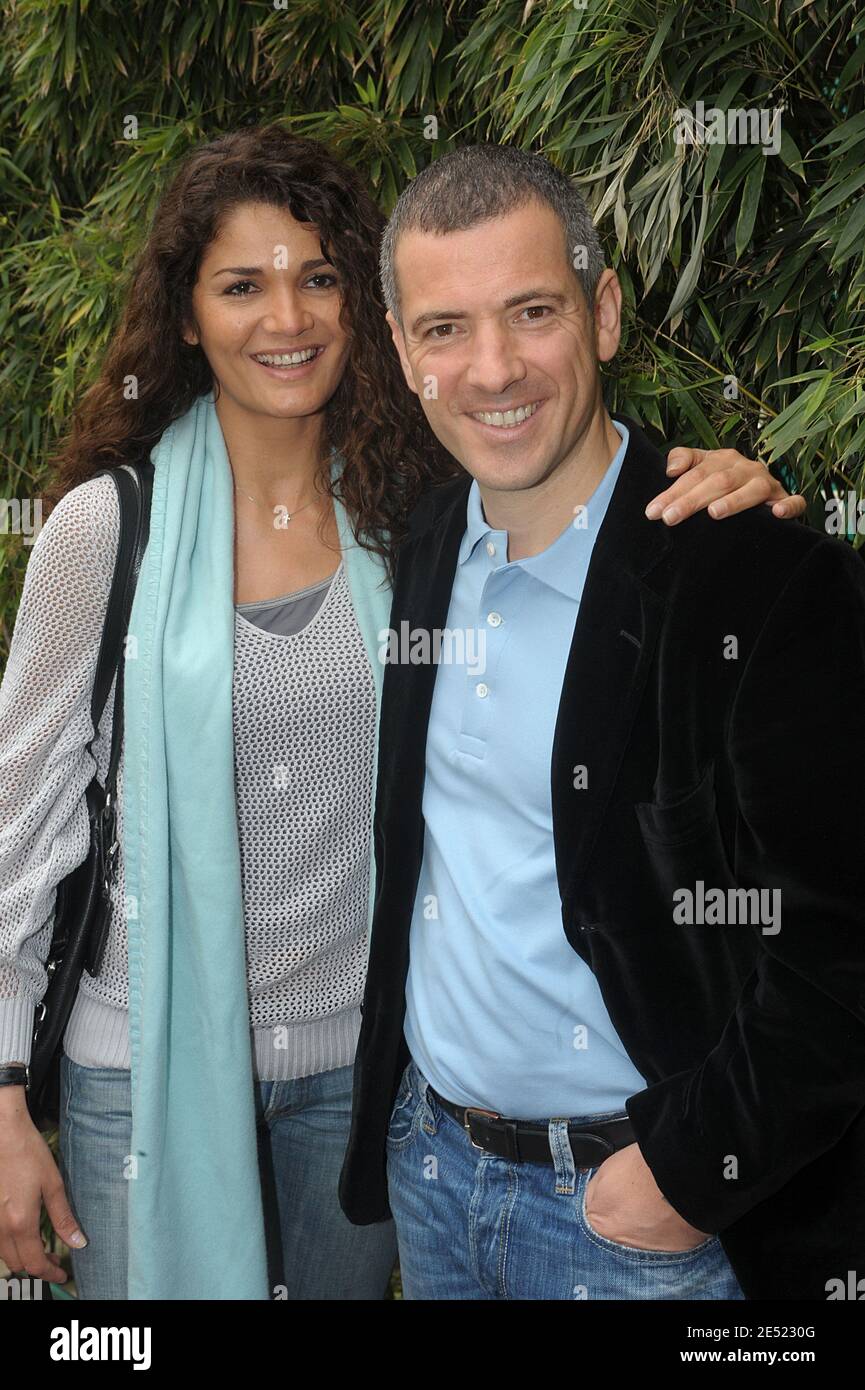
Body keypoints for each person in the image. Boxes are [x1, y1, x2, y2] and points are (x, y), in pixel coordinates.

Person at [0, 127, 799, 1300]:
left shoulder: (424, 516)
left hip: (368, 1078)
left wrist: (739, 496)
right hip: (148, 1063)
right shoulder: (105, 533)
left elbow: (591, 502)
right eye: (241, 285)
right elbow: (18, 829)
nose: (288, 316)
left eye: (319, 277)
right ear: (185, 316)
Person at [338, 143, 865, 1302]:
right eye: (443, 330)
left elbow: (838, 950)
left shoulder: (755, 579)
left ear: (605, 313)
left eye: (531, 312)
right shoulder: (424, 546)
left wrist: (679, 1176)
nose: (491, 369)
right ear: (399, 350)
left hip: (636, 1222)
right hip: (435, 1174)